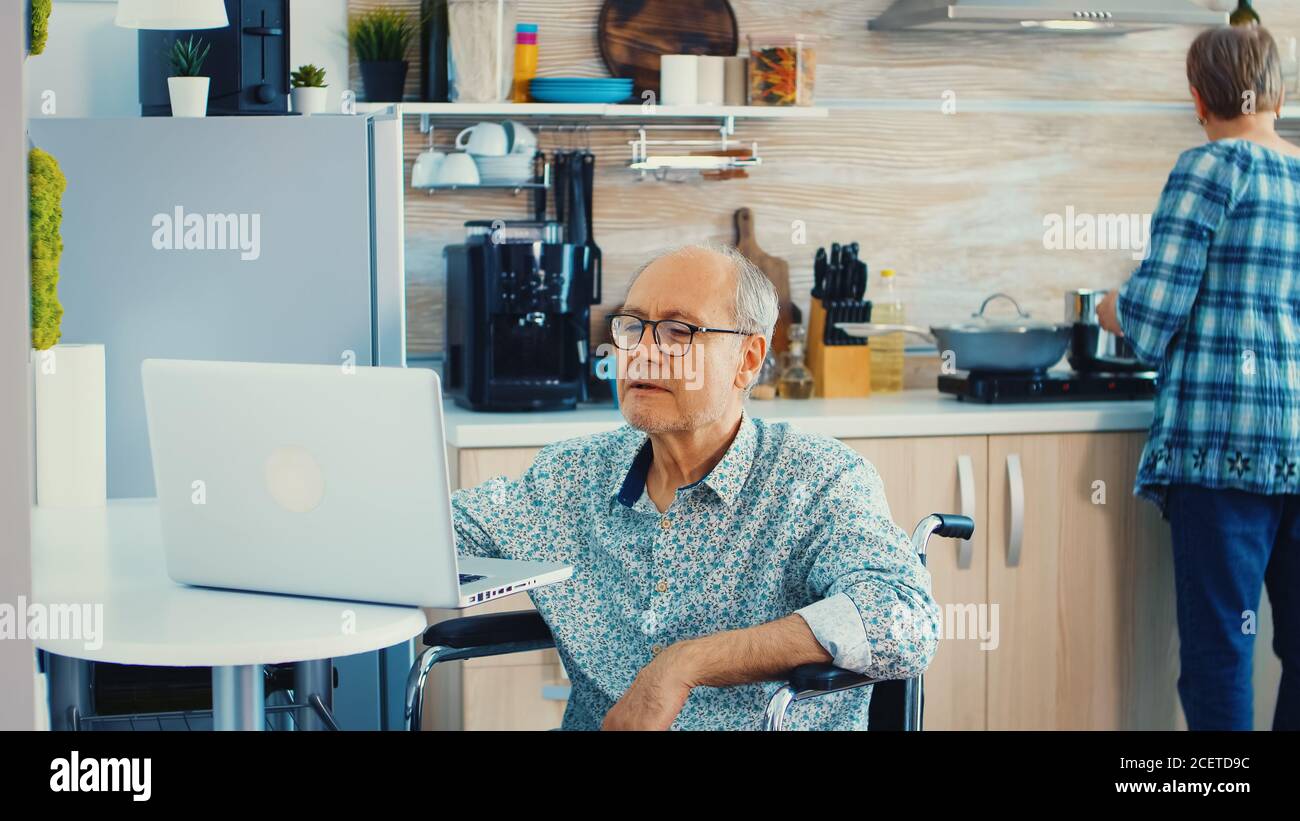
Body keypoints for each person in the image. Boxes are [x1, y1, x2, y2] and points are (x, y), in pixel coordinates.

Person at [452, 244, 939, 730]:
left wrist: (685, 665)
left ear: (747, 359)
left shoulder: (817, 481)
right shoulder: (568, 478)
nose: (642, 352)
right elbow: (432, 534)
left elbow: (903, 621)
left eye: (677, 331)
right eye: (632, 326)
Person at [1097, 25, 1300, 730]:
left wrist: (1106, 306)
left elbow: (1150, 319)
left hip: (1223, 451)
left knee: (1220, 652)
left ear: (1197, 98)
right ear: (1280, 91)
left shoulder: (1210, 168)